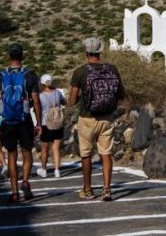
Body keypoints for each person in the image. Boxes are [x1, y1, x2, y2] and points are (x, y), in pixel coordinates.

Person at [70, 37, 125, 202]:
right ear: (101, 52)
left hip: (87, 118)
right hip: (107, 118)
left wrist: (83, 96)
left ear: (86, 52)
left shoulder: (80, 72)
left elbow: (72, 100)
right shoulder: (112, 69)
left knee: (86, 154)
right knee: (106, 153)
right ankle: (107, 189)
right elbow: (121, 95)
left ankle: (87, 189)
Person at [0, 42, 42, 204]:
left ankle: (14, 193)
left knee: (12, 155)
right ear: (22, 56)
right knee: (27, 153)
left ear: (9, 57)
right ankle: (25, 181)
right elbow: (36, 101)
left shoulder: (0, 76)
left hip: (6, 121)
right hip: (24, 120)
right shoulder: (30, 75)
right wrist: (38, 122)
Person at [37, 74, 65, 179]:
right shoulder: (57, 93)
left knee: (44, 148)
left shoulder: (40, 96)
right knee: (56, 148)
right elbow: (63, 102)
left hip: (45, 124)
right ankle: (57, 170)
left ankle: (44, 169)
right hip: (58, 123)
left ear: (42, 83)